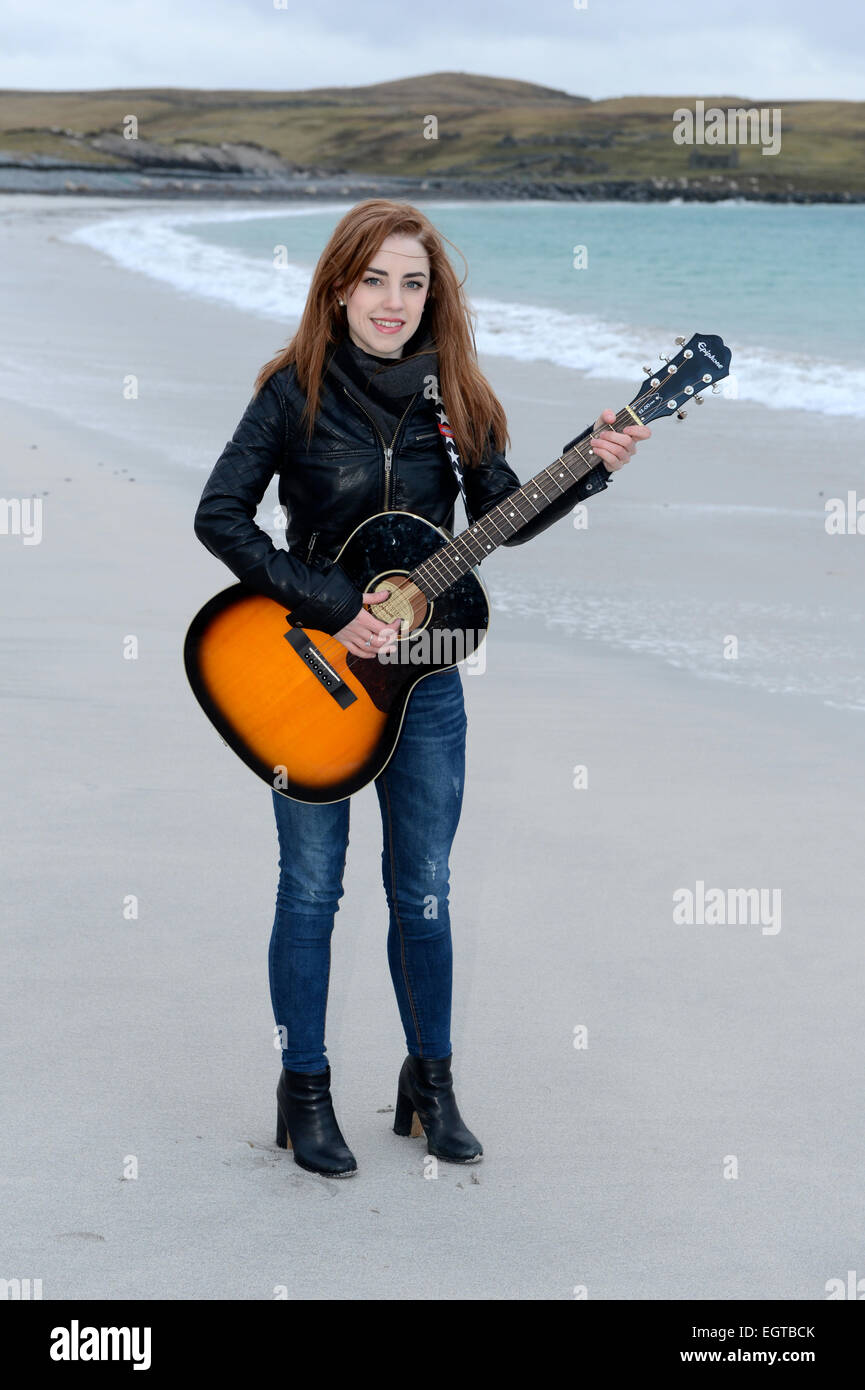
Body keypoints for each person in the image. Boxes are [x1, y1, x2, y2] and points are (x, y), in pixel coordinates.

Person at [193, 198, 650, 1178]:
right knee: (311, 889)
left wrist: (590, 462)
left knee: (427, 889)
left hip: (426, 681)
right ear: (339, 285)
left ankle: (428, 1085)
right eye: (375, 280)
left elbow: (505, 515)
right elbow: (220, 517)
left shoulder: (455, 395)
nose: (393, 302)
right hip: (310, 671)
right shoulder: (291, 392)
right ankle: (303, 1091)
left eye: (413, 282)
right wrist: (331, 602)